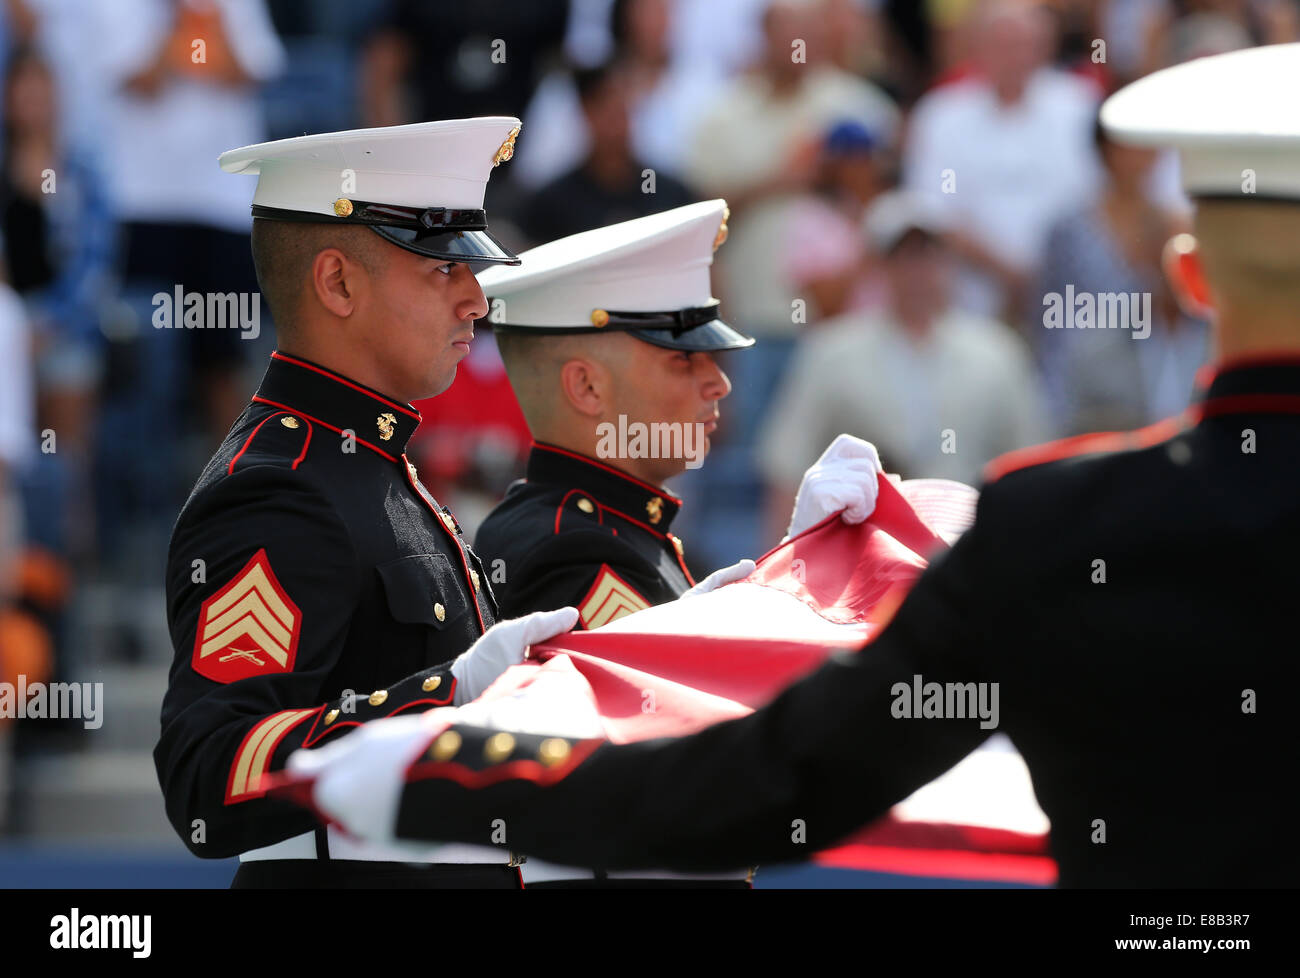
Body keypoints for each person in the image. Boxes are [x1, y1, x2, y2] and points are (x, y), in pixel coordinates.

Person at [287, 44, 1299, 887]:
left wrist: (452, 771)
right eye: (681, 357)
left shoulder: (1056, 528)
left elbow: (770, 784)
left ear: (1192, 276)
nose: (714, 385)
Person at [154, 117, 580, 889]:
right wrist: (439, 700)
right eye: (441, 266)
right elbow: (207, 778)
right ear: (338, 281)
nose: (475, 300)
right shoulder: (281, 488)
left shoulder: (368, 466)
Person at [478, 200, 882, 630]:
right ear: (587, 387)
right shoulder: (566, 550)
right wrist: (797, 576)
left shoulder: (617, 527)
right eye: (685, 360)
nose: (719, 384)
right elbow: (692, 691)